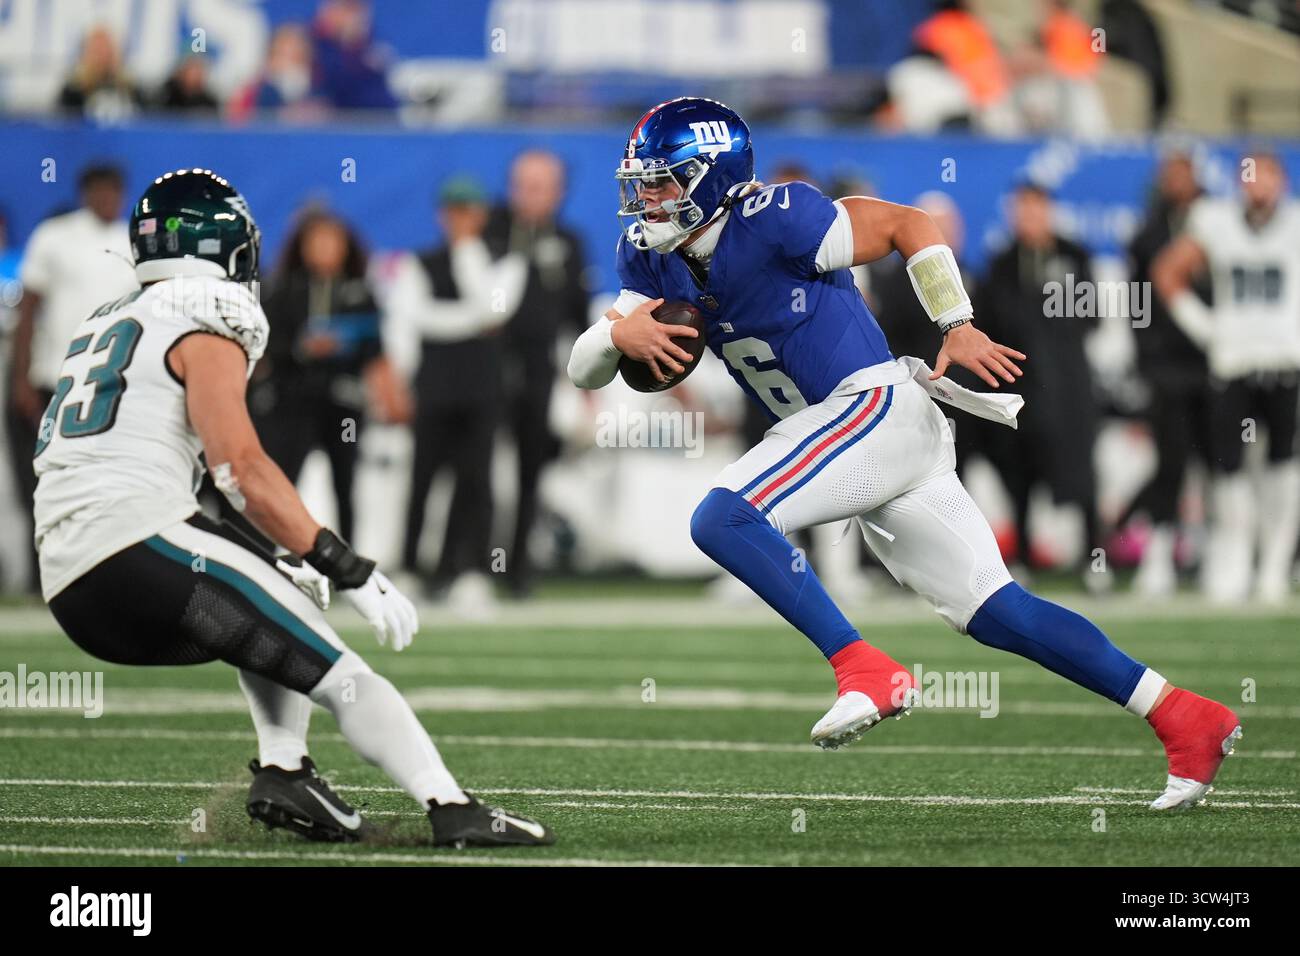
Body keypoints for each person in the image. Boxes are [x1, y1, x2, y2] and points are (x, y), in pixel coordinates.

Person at [568, 97, 1240, 810]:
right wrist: (616, 338)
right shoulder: (648, 255)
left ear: (715, 177)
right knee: (997, 611)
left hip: (870, 406)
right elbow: (585, 365)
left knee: (722, 517)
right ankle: (1185, 717)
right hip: (870, 434)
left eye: (667, 179)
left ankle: (861, 666)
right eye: (642, 180)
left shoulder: (776, 216)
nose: (648, 196)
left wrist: (956, 322)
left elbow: (905, 225)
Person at [34, 167, 552, 847]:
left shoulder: (109, 316)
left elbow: (196, 480)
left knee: (275, 599)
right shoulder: (206, 309)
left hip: (71, 583)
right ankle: (451, 806)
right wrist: (349, 566)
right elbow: (239, 466)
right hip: (139, 542)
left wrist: (279, 555)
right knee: (343, 674)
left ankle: (286, 770)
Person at [1153, 150, 1300, 604]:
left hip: (1284, 363)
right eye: (1251, 176)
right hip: (1233, 363)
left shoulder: (1294, 223)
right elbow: (1166, 271)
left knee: (1284, 465)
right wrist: (1209, 330)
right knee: (1228, 469)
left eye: (1267, 176)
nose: (1259, 186)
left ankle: (1275, 563)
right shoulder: (1215, 220)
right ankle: (1235, 559)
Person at [391, 176, 526, 611]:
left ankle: (472, 571)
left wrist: (468, 253)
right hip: (433, 385)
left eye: (468, 211)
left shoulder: (507, 261)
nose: (461, 220)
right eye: (453, 212)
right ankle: (410, 568)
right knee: (422, 481)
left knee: (478, 481)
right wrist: (470, 320)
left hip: (481, 387)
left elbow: (492, 308)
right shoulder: (419, 262)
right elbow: (413, 318)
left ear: (482, 214)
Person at [7, 163, 135, 594]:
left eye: (114, 189)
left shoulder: (132, 240)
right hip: (55, 379)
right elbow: (29, 309)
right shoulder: (56, 236)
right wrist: (21, 379)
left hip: (114, 385)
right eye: (99, 189)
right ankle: (40, 579)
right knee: (44, 483)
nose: (107, 198)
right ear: (85, 192)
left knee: (107, 488)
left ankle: (101, 581)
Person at [251, 208, 405, 545]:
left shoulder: (360, 293)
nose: (324, 249)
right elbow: (265, 346)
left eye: (332, 241)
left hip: (343, 407)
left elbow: (376, 351)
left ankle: (349, 560)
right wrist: (302, 349)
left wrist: (391, 395)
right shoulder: (283, 290)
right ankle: (269, 551)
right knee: (283, 478)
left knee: (345, 483)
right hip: (294, 404)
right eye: (316, 241)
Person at [976, 181, 1103, 579]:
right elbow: (992, 325)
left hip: (1069, 388)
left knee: (1082, 475)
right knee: (1020, 475)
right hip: (1021, 388)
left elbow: (1090, 318)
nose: (1028, 217)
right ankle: (1024, 558)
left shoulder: (1073, 255)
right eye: (1021, 209)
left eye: (1035, 208)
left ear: (1048, 211)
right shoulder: (1001, 264)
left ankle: (1095, 559)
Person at [485, 150, 590, 597]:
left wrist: (589, 383)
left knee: (530, 471)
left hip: (539, 368)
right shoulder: (490, 231)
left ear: (558, 192)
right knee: (479, 468)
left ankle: (517, 568)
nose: (529, 195)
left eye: (540, 186)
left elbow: (578, 315)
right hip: (485, 367)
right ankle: (468, 564)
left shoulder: (567, 241)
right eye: (523, 184)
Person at [1119, 151, 1210, 595]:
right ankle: (1158, 553)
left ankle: (1215, 551)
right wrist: (1146, 359)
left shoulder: (1218, 222)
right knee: (1171, 461)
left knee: (1220, 462)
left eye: (1182, 172)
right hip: (1168, 367)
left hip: (1218, 362)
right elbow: (1137, 302)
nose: (1176, 181)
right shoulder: (1147, 234)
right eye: (1168, 174)